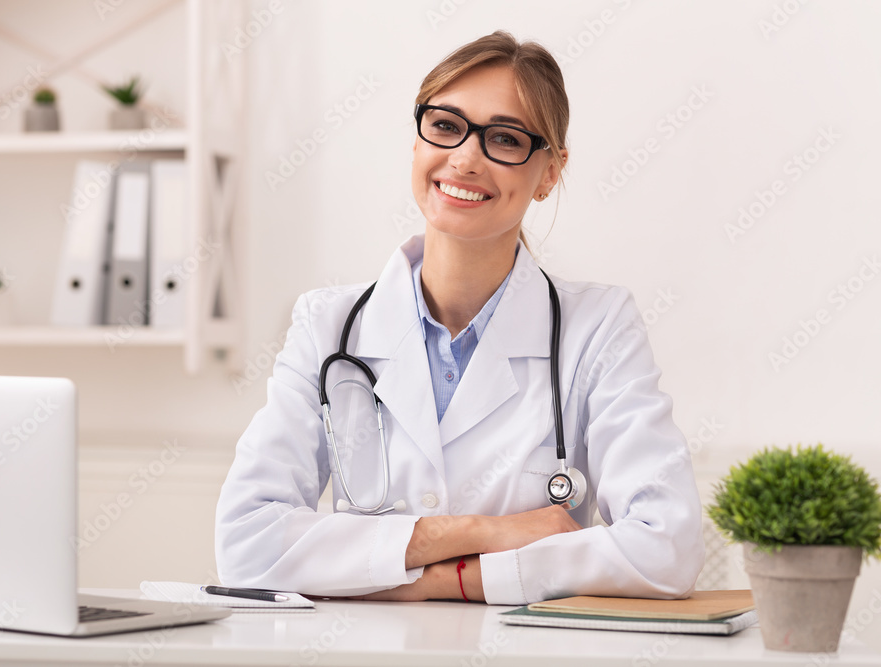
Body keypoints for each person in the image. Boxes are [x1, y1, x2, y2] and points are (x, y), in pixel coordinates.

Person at [215, 30, 704, 605]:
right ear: (418, 142)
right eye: (446, 126)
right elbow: (245, 545)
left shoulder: (597, 327)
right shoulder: (327, 324)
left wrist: (442, 582)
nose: (466, 158)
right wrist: (485, 533)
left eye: (505, 139)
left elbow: (667, 548)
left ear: (549, 173)